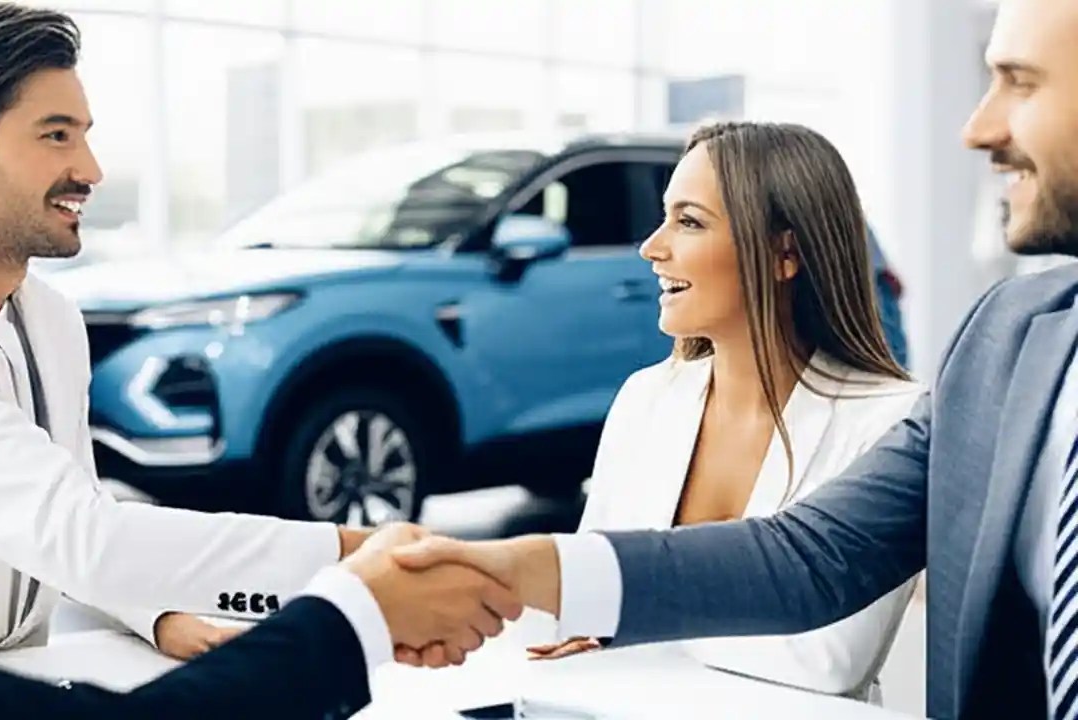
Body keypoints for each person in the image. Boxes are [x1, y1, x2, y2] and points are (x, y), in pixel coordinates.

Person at [0, 1, 518, 716]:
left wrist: (154, 612)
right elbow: (80, 536)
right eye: (55, 135)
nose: (89, 169)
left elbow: (65, 507)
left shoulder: (47, 315)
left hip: (27, 673)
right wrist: (361, 560)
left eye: (84, 135)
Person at [391, 0, 1078, 717]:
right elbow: (804, 560)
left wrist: (617, 619)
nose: (977, 129)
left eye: (1022, 81)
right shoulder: (1004, 343)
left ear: (785, 254)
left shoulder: (893, 408)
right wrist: (515, 569)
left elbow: (819, 656)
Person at [523, 121, 922, 702]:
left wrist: (627, 610)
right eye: (664, 217)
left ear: (785, 253)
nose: (651, 247)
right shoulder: (646, 398)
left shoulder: (890, 421)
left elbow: (826, 661)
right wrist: (606, 608)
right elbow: (581, 615)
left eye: (689, 222)